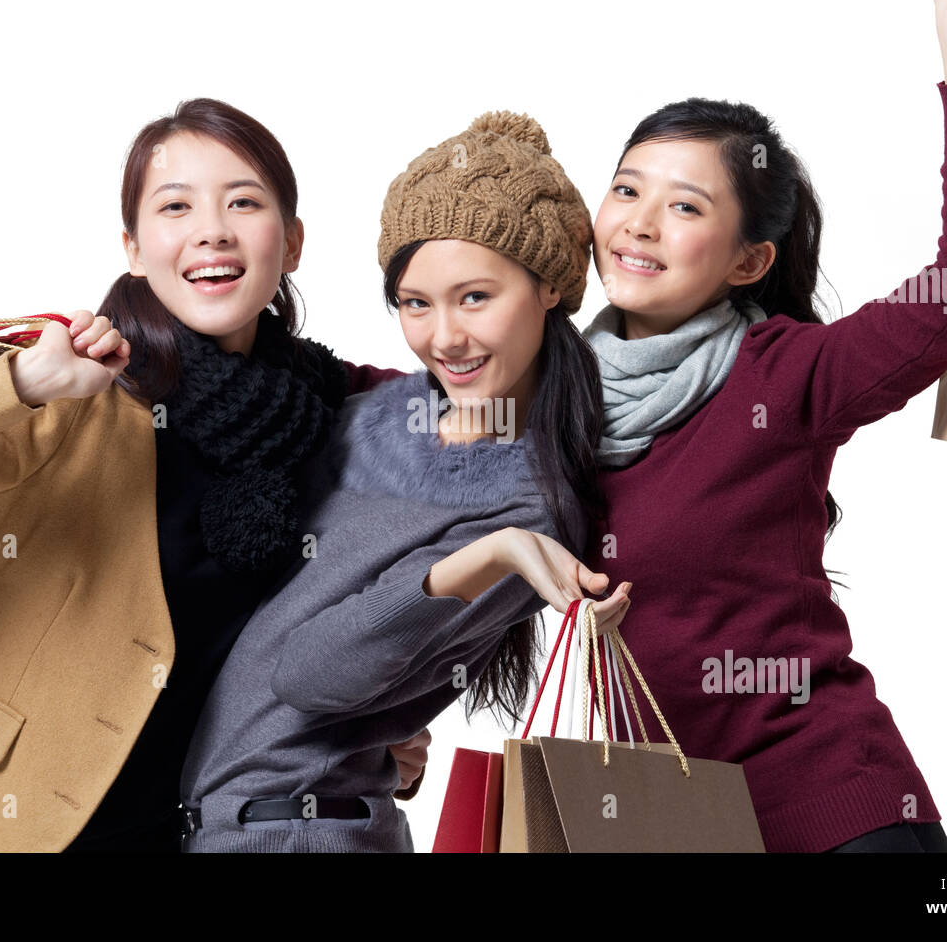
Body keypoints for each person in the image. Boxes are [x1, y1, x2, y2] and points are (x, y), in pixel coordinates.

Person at [0, 97, 425, 852]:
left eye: (243, 201)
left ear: (292, 243)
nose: (212, 229)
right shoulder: (74, 383)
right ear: (133, 247)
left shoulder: (334, 419)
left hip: (171, 824)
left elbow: (333, 633)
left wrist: (376, 735)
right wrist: (22, 383)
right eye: (176, 206)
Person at [573, 0, 947, 851]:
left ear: (750, 259)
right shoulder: (553, 390)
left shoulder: (786, 376)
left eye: (685, 206)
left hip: (836, 816)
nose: (639, 223)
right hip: (666, 824)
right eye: (627, 188)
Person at [179, 111, 629, 852]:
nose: (444, 336)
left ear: (549, 287)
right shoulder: (360, 419)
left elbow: (315, 674)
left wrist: (490, 555)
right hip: (214, 825)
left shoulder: (528, 508)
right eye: (415, 303)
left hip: (294, 835)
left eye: (475, 297)